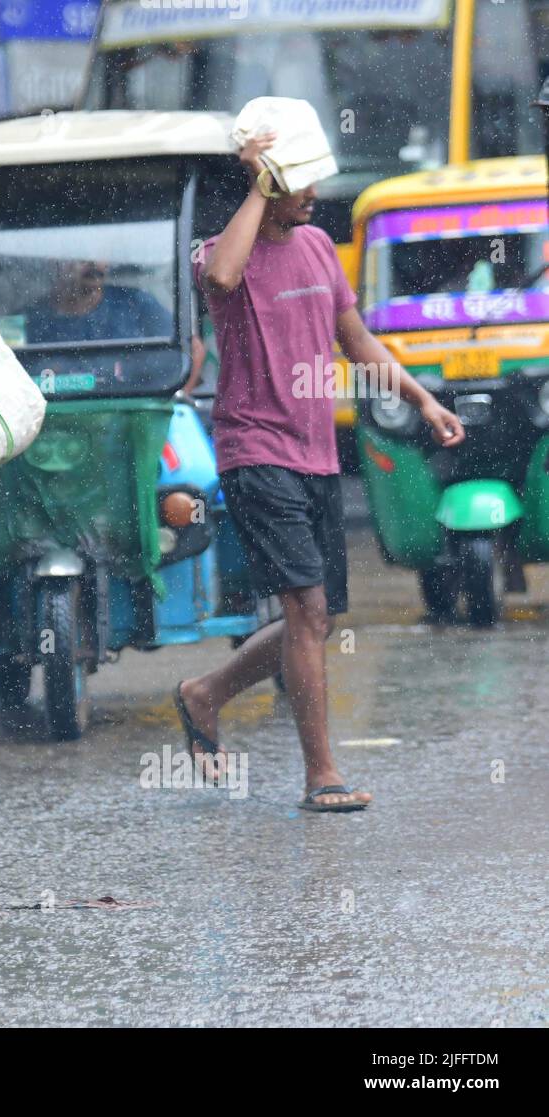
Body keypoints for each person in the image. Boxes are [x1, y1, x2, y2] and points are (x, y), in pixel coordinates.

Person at [179, 132, 466, 812]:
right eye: (301, 182)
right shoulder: (220, 253)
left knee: (319, 617)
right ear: (273, 185)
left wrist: (422, 400)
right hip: (255, 450)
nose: (315, 195)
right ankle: (322, 774)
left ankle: (206, 692)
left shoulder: (315, 247)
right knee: (306, 610)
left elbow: (356, 338)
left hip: (315, 453)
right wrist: (260, 181)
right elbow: (221, 277)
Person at [27, 259, 171, 344]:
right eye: (81, 256)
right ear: (55, 262)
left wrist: (176, 395)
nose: (93, 263)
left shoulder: (137, 304)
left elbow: (189, 351)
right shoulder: (29, 319)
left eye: (98, 253)